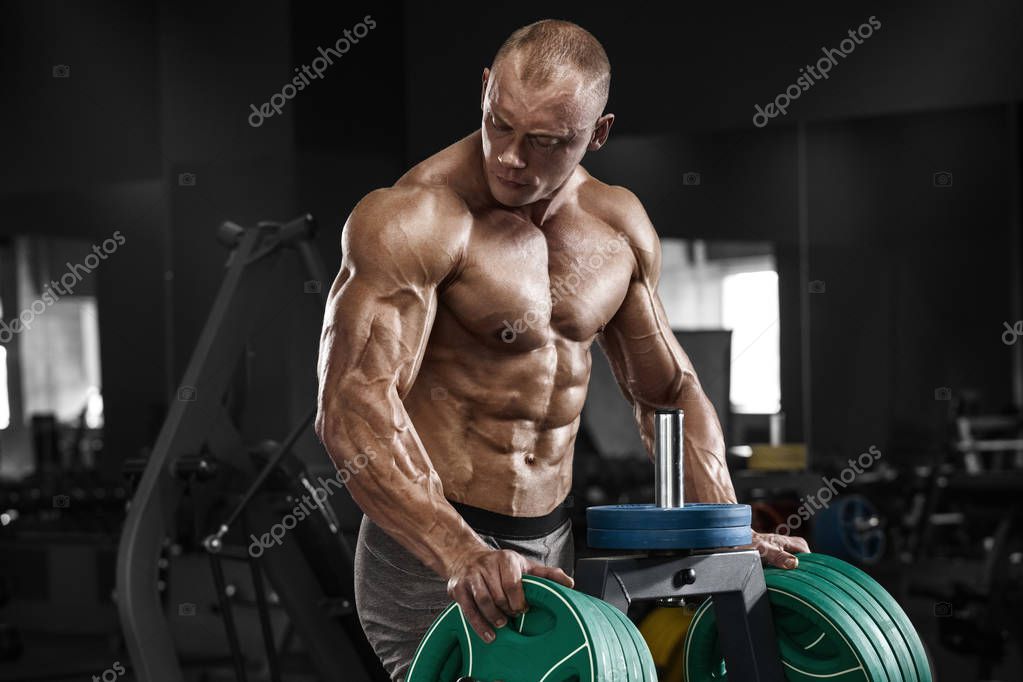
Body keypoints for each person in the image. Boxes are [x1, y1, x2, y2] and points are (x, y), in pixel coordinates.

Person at [314, 18, 810, 681]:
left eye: (547, 142)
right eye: (499, 124)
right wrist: (459, 552)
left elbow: (665, 391)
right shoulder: (415, 217)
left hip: (551, 535)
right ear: (486, 88)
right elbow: (352, 403)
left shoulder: (615, 225)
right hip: (430, 544)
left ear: (597, 133)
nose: (511, 158)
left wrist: (721, 523)